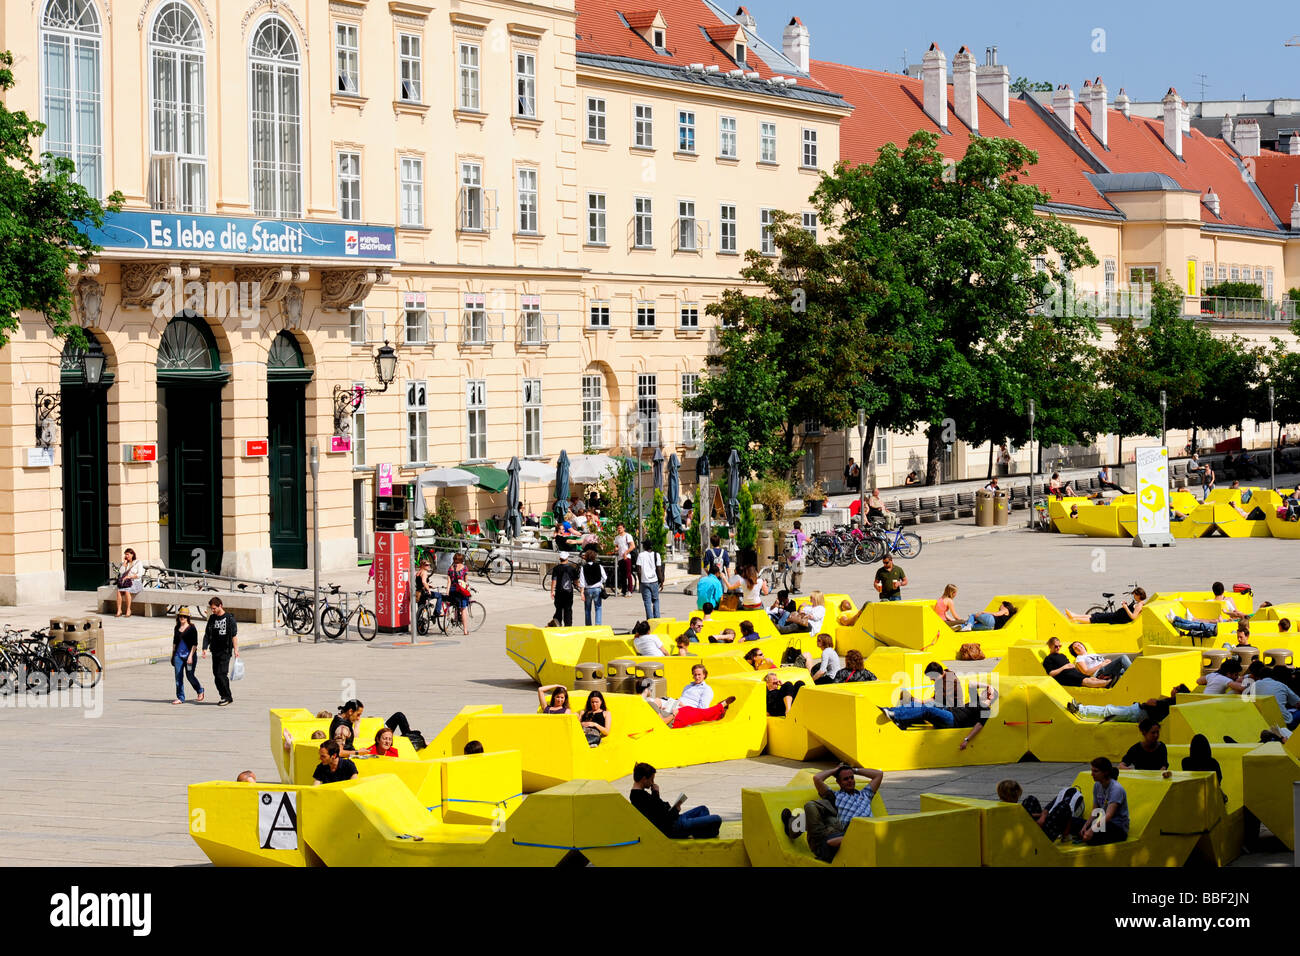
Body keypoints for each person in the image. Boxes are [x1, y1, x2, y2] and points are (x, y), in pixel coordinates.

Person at [811, 764, 885, 859]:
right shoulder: (835, 796)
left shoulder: (865, 794)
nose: (850, 781)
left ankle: (859, 839)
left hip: (870, 827)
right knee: (830, 842)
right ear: (839, 782)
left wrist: (854, 770)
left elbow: (879, 774)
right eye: (845, 779)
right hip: (851, 829)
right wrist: (835, 770)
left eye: (851, 778)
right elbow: (817, 778)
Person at [629, 763, 722, 838]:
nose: (652, 783)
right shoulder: (639, 797)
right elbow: (662, 818)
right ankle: (698, 832)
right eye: (651, 779)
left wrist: (656, 795)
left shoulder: (639, 794)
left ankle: (698, 832)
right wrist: (675, 809)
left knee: (703, 809)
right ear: (644, 779)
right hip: (674, 826)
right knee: (717, 819)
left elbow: (658, 809)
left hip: (675, 819)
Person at [642, 664, 735, 727]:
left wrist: (683, 705)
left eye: (699, 674)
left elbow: (702, 710)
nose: (697, 677)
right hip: (675, 703)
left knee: (655, 705)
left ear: (704, 675)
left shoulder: (706, 689)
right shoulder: (688, 686)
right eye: (695, 675)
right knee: (653, 701)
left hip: (686, 710)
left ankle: (721, 706)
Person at [200, 596, 239, 707]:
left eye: (214, 608)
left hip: (225, 651)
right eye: (212, 609)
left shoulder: (229, 618)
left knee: (221, 674)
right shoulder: (212, 618)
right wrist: (204, 648)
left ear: (220, 606)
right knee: (216, 675)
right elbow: (207, 634)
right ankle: (224, 695)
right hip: (215, 651)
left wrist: (236, 650)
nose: (213, 610)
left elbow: (234, 636)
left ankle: (227, 696)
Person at [1080, 757, 1128, 845]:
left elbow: (1109, 815)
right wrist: (1086, 825)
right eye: (1092, 771)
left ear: (1105, 772)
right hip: (1103, 823)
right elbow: (1096, 811)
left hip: (1117, 828)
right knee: (1074, 823)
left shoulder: (1116, 789)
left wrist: (1091, 830)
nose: (1092, 774)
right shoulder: (1097, 785)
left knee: (1092, 837)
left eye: (1095, 771)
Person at [1246, 661, 1300, 728]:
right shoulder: (1281, 685)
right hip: (1284, 723)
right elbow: (1298, 703)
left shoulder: (1253, 685)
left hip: (1262, 721)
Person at [170, 608, 204, 705]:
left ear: (188, 617)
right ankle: (180, 697)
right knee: (178, 677)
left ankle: (200, 690)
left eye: (184, 616)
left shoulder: (192, 629)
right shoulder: (177, 628)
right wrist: (173, 655)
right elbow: (174, 643)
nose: (182, 618)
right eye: (181, 616)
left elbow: (194, 644)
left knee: (190, 676)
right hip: (178, 656)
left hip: (189, 656)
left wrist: (190, 657)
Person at [1063, 587, 1146, 625]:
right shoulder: (1139, 603)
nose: (1134, 596)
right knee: (1098, 615)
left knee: (1097, 618)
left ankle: (1075, 619)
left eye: (1134, 595)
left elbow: (1133, 617)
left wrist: (1126, 607)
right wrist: (1127, 606)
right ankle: (1075, 616)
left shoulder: (1139, 604)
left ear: (1139, 595)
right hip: (1117, 616)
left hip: (1117, 618)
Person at [1067, 640, 1132, 686]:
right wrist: (1101, 665)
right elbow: (1086, 672)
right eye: (1075, 648)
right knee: (1123, 657)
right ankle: (1135, 674)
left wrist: (1108, 662)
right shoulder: (1079, 658)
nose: (1078, 647)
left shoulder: (1093, 654)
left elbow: (1103, 663)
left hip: (1106, 669)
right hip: (1099, 673)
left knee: (1124, 672)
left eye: (1079, 644)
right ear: (1075, 652)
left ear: (1083, 645)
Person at [549, 553, 579, 627]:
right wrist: (580, 588)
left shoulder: (556, 568)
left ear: (560, 558)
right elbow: (576, 581)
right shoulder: (572, 568)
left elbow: (554, 581)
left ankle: (557, 623)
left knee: (558, 608)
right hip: (568, 592)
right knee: (568, 609)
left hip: (559, 592)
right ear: (567, 558)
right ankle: (568, 625)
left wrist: (552, 591)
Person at [579, 546, 607, 625]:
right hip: (597, 588)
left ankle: (588, 625)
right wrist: (600, 583)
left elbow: (582, 581)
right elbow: (605, 577)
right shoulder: (599, 566)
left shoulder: (583, 567)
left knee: (587, 609)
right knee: (598, 607)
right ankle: (598, 624)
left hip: (587, 590)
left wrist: (581, 592)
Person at [115, 547, 145, 617]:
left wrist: (130, 577)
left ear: (132, 554)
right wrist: (124, 564)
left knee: (127, 591)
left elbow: (140, 574)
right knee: (119, 591)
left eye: (128, 554)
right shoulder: (126, 563)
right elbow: (121, 573)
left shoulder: (138, 562)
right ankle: (119, 610)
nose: (126, 556)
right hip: (126, 583)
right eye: (125, 554)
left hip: (136, 582)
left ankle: (128, 610)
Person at [636, 545, 662, 619]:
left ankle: (650, 621)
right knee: (655, 600)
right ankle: (657, 619)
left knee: (647, 602)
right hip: (654, 581)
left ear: (644, 547)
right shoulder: (657, 555)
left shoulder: (641, 555)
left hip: (644, 582)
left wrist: (640, 581)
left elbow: (638, 569)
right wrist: (661, 581)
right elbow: (659, 569)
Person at [613, 523, 636, 596]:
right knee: (622, 574)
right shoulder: (617, 538)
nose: (619, 530)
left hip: (627, 557)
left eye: (620, 528)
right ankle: (624, 590)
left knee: (628, 574)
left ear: (624, 528)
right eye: (618, 528)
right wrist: (616, 549)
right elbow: (616, 546)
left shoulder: (627, 536)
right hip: (620, 558)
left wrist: (626, 553)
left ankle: (629, 590)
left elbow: (632, 546)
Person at [788, 520, 808, 593]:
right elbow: (808, 540)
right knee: (799, 572)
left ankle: (792, 586)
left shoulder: (791, 533)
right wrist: (802, 532)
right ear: (800, 526)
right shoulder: (800, 534)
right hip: (798, 556)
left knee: (794, 571)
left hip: (792, 556)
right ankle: (796, 589)